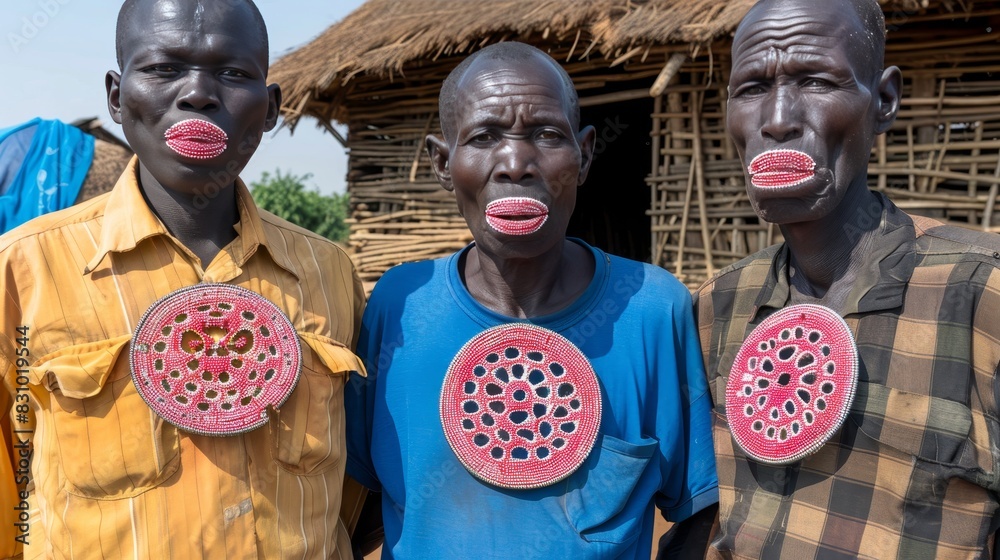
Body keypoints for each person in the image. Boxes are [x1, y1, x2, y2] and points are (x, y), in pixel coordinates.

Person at [0, 0, 366, 557]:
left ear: (270, 108)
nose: (198, 94)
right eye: (163, 68)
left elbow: (352, 487)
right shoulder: (24, 268)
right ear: (116, 96)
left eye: (232, 73)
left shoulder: (329, 272)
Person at [344, 41, 718, 559]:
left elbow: (700, 512)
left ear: (585, 155)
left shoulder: (652, 310)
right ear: (443, 163)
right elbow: (357, 505)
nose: (515, 163)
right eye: (484, 137)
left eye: (546, 134)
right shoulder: (400, 306)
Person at [696, 0, 1000, 557]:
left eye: (815, 81)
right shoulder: (720, 305)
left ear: (883, 101)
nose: (778, 119)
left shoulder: (982, 293)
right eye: (752, 88)